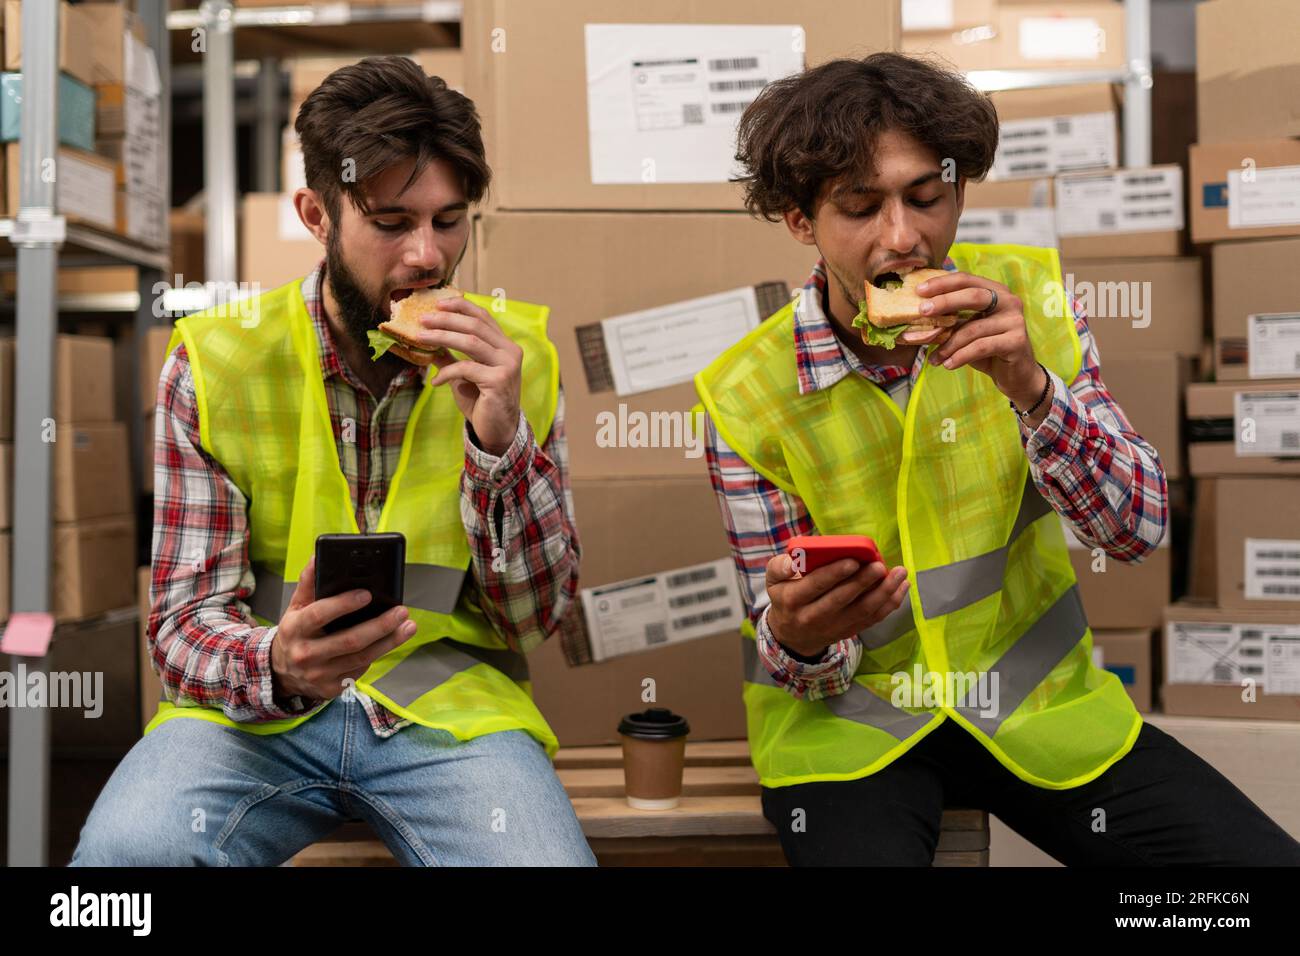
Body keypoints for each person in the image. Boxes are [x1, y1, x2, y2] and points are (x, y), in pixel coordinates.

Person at [693, 52, 1300, 866]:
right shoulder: (745, 393)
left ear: (959, 193)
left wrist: (1034, 388)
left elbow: (1139, 531)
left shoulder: (1032, 303)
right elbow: (798, 666)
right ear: (802, 221)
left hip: (1035, 707)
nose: (902, 237)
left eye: (926, 198)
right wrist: (802, 638)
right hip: (854, 730)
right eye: (859, 206)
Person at [72, 56, 595, 867]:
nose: (428, 256)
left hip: (447, 708)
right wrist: (278, 660)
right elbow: (178, 626)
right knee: (122, 866)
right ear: (317, 214)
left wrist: (501, 447)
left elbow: (538, 620)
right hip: (255, 718)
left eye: (450, 220)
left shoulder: (516, 358)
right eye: (391, 223)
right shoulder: (215, 362)